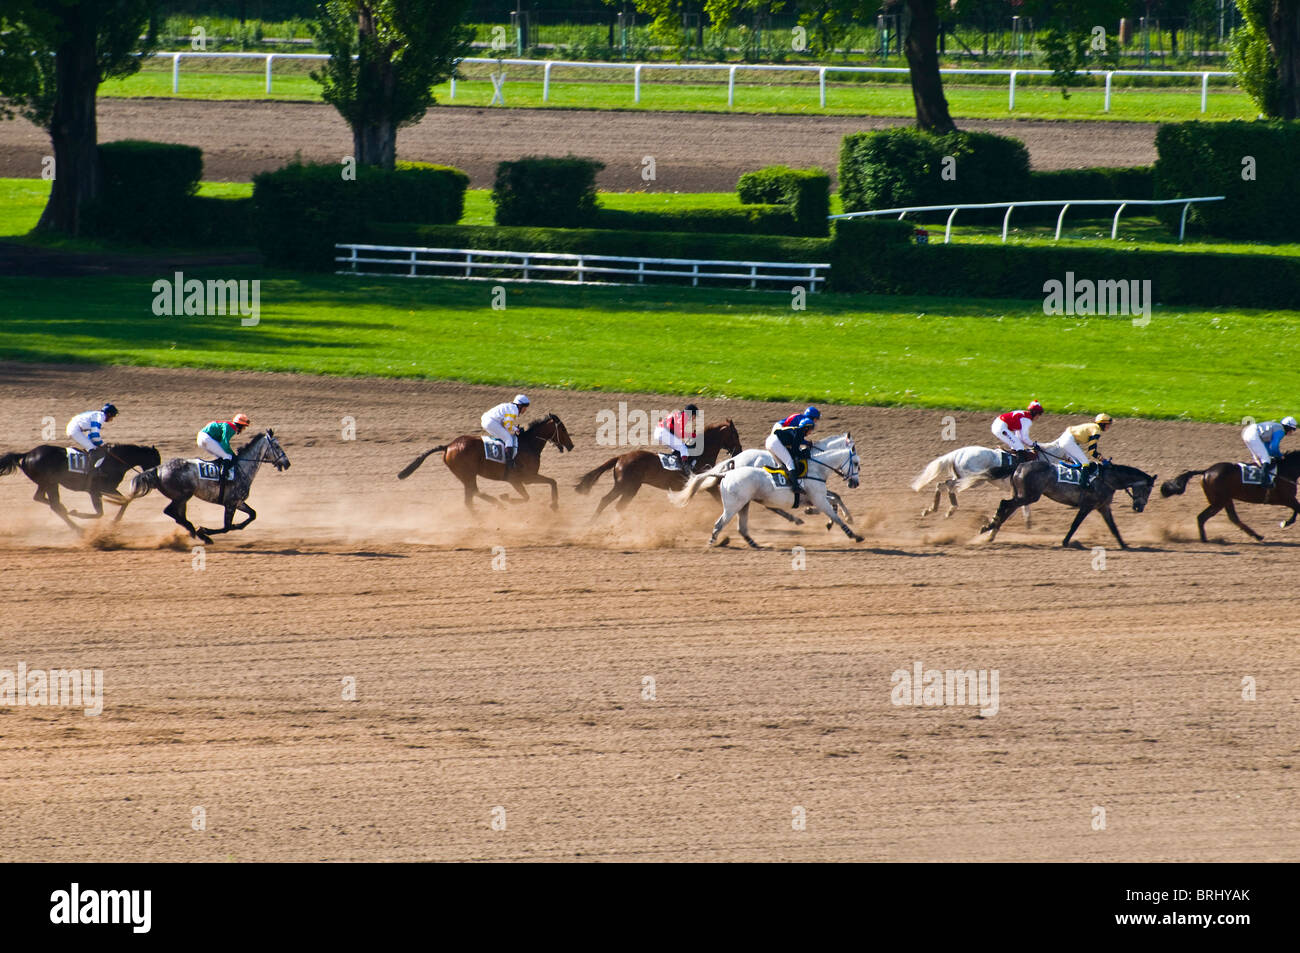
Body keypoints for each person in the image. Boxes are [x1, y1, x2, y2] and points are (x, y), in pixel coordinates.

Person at [766, 406, 820, 504]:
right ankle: (795, 486)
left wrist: (805, 444)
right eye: (816, 419)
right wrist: (804, 451)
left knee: (784, 464)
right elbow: (796, 440)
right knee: (789, 461)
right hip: (776, 436)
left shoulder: (801, 421)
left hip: (774, 439)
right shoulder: (800, 421)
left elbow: (795, 438)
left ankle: (783, 484)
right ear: (812, 417)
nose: (816, 423)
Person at [197, 413, 251, 501]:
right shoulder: (231, 428)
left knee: (222, 456)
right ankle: (222, 478)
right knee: (227, 456)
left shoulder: (228, 425)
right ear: (240, 425)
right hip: (206, 438)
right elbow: (224, 443)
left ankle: (217, 473)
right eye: (244, 426)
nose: (244, 429)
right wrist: (233, 455)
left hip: (202, 438)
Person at [1060, 413, 1113, 488]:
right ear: (1102, 423)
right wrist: (1102, 460)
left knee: (1080, 463)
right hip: (1069, 441)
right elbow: (1091, 451)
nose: (1109, 426)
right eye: (1108, 424)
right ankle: (1083, 485)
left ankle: (1074, 481)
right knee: (1085, 462)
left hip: (1065, 439)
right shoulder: (1096, 430)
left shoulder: (1093, 426)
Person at [1242, 416, 1298, 483]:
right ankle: (1264, 480)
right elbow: (1274, 447)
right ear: (1288, 428)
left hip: (1246, 433)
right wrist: (1280, 455)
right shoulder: (1281, 431)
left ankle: (1257, 480)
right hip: (1253, 434)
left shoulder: (1273, 429)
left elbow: (1267, 447)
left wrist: (1272, 455)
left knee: (1258, 458)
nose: (1292, 432)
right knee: (1266, 459)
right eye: (1292, 429)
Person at [482, 394, 530, 469]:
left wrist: (514, 428)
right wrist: (516, 429)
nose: (525, 410)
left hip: (488, 420)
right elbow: (507, 425)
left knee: (503, 437)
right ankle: (509, 464)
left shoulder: (511, 407)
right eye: (525, 407)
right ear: (520, 406)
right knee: (508, 439)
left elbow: (505, 424)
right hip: (491, 422)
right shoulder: (514, 410)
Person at [66, 403, 118, 468]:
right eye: (112, 417)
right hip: (74, 429)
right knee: (93, 449)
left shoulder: (97, 415)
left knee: (93, 447)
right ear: (109, 414)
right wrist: (102, 445)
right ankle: (90, 471)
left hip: (74, 428)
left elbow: (91, 435)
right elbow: (95, 435)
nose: (111, 419)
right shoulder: (100, 416)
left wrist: (99, 445)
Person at [653, 404, 699, 472]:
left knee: (677, 447)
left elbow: (676, 432)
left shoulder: (678, 414)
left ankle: (675, 461)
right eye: (694, 416)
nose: (694, 419)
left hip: (659, 431)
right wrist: (692, 435)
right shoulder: (684, 417)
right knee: (683, 447)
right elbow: (680, 433)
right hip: (663, 432)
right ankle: (685, 466)